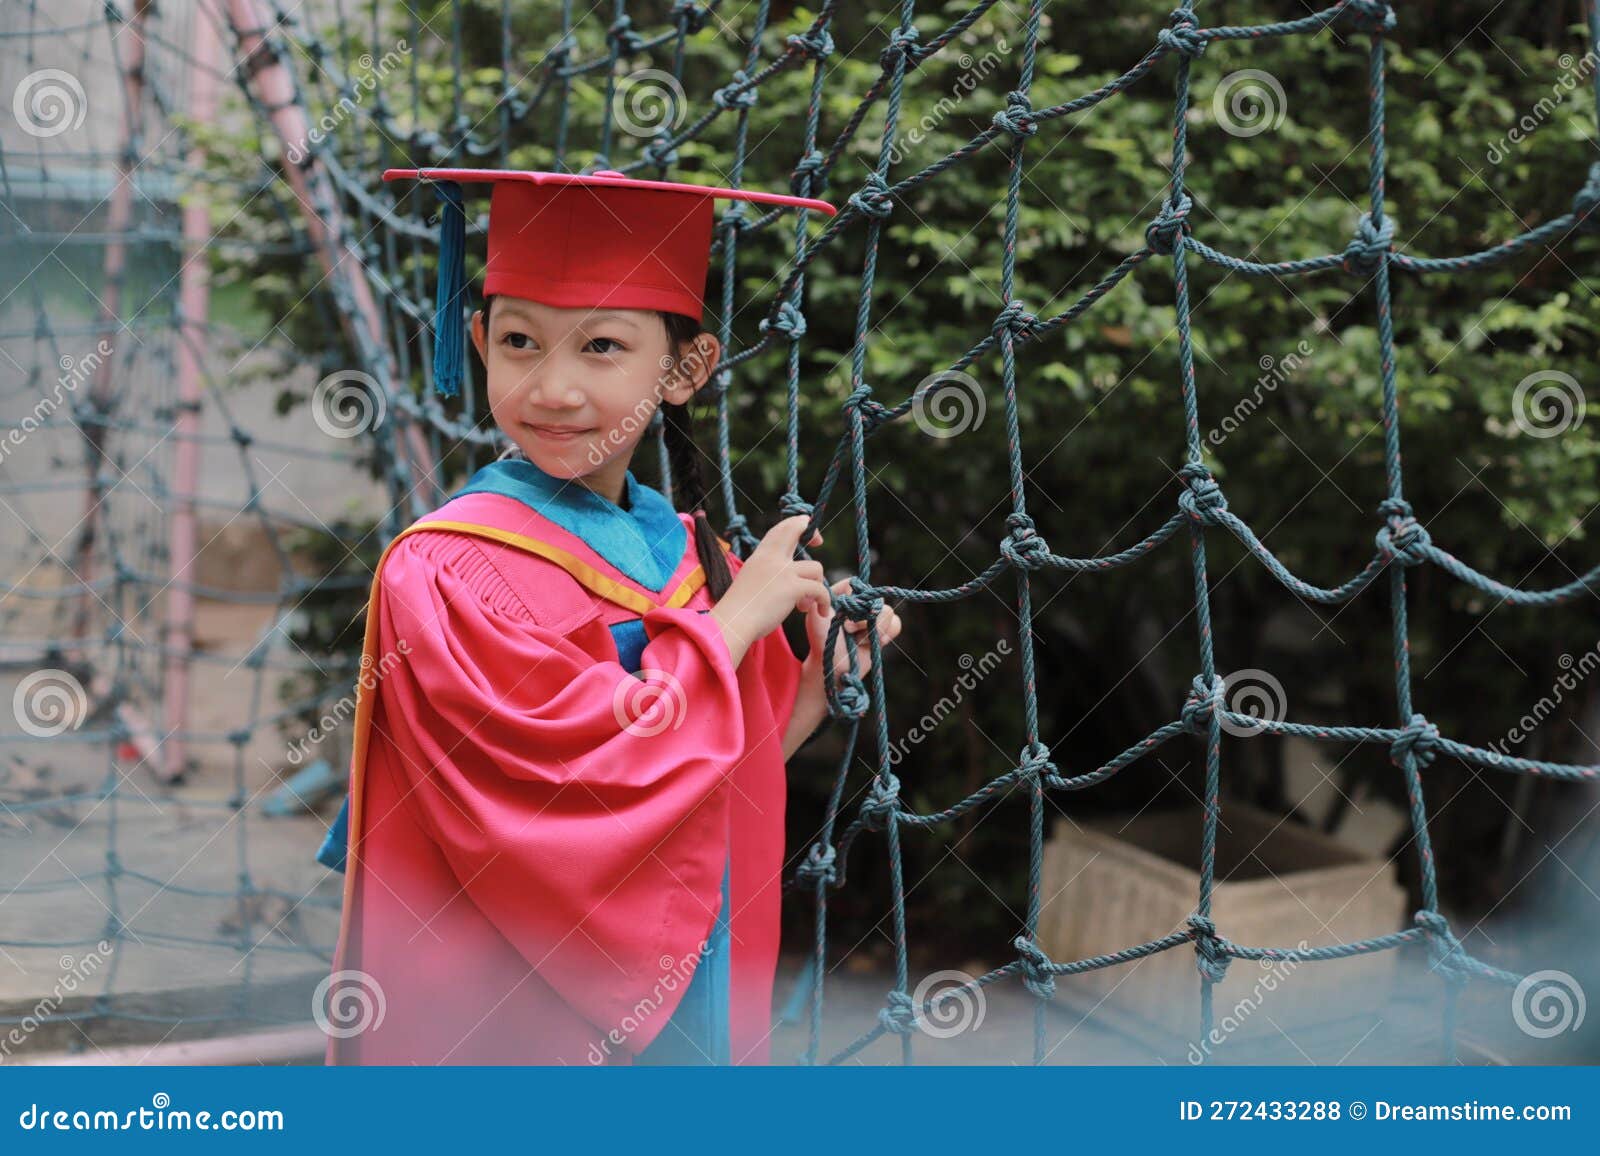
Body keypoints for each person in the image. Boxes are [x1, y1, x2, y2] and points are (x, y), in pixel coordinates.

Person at [321, 167, 902, 1066]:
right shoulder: (444, 571)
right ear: (476, 341)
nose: (551, 388)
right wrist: (729, 627)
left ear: (684, 369)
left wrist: (826, 682)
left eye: (600, 348)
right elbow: (566, 802)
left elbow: (701, 780)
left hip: (696, 995)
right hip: (514, 1022)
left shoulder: (691, 555)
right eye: (519, 341)